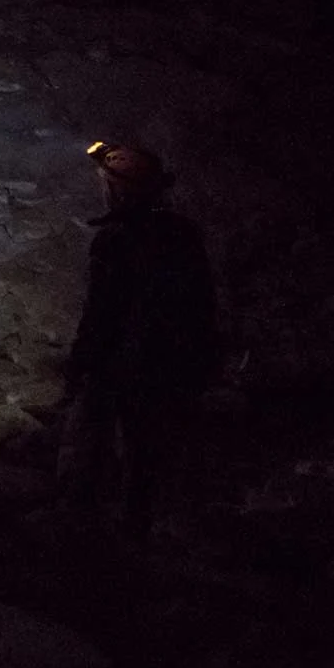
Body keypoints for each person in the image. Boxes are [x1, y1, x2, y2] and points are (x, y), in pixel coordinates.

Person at [60, 140, 218, 540]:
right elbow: (202, 304)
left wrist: (79, 367)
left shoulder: (116, 241)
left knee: (102, 452)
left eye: (106, 182)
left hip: (126, 367)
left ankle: (101, 539)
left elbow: (101, 314)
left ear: (119, 190)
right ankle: (147, 526)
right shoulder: (182, 233)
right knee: (153, 455)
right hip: (174, 364)